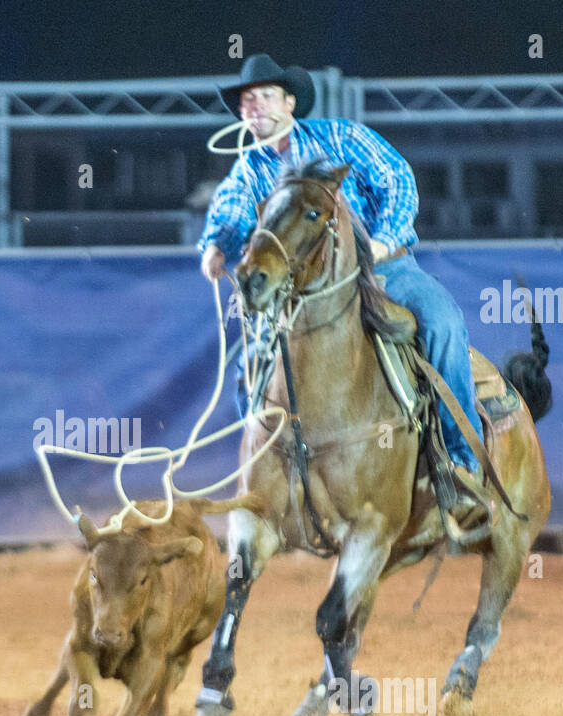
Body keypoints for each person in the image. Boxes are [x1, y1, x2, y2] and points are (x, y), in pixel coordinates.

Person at [198, 54, 484, 491]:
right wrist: (216, 245)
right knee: (250, 365)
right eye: (248, 101)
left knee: (442, 324)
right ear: (241, 113)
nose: (256, 107)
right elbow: (232, 211)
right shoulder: (250, 170)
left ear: (290, 102)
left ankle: (461, 458)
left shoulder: (341, 136)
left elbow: (397, 178)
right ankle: (271, 469)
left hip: (387, 269)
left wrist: (386, 239)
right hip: (304, 291)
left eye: (266, 96)